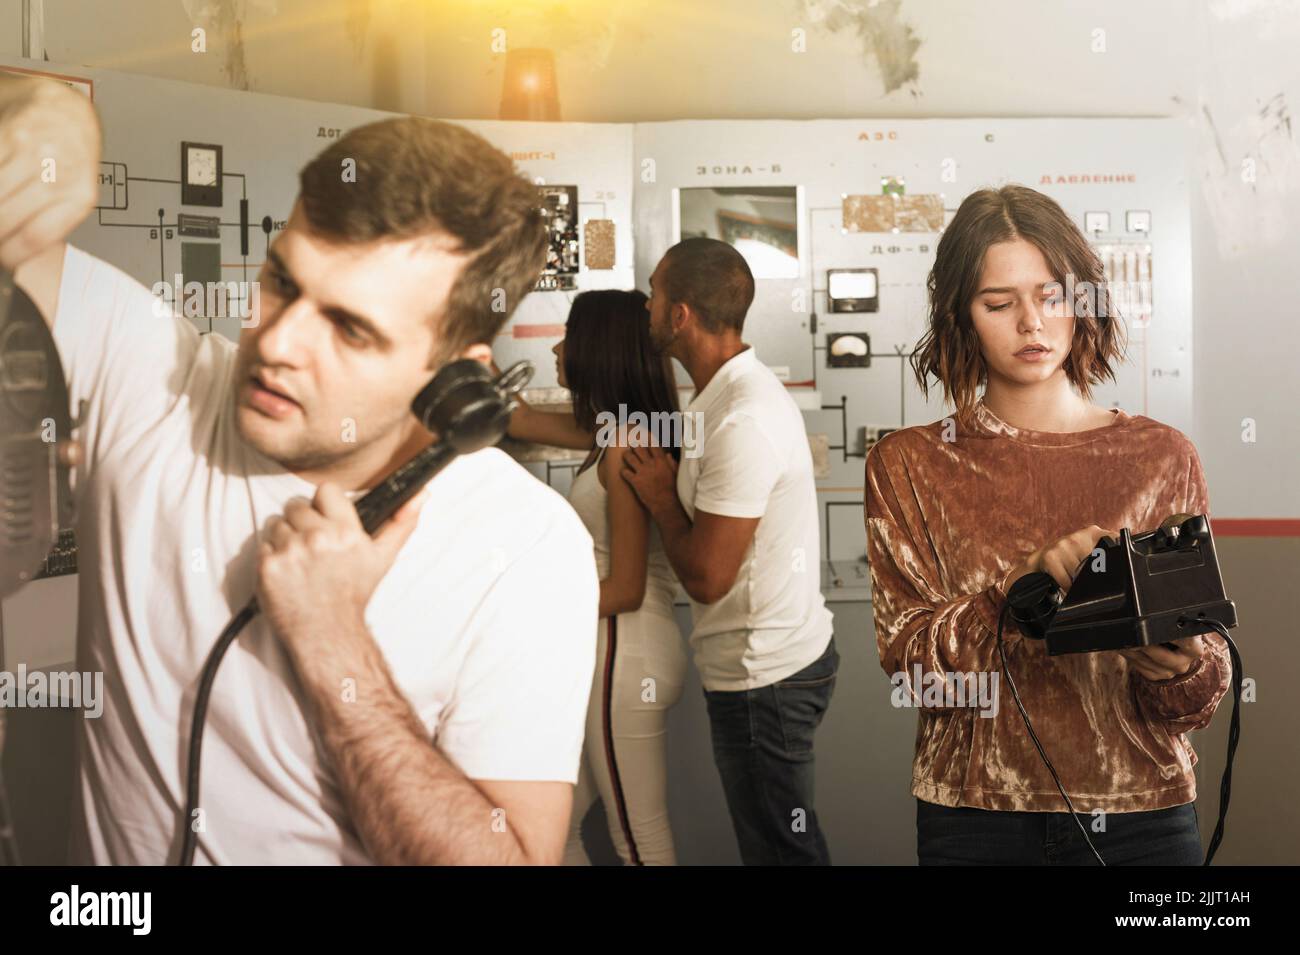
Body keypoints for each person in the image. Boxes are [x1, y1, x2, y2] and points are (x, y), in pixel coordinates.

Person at [1, 74, 600, 865]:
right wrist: (48, 111)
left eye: (350, 328)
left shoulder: (523, 546)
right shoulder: (152, 373)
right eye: (282, 281)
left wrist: (333, 641)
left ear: (456, 374)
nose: (279, 342)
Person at [864, 183, 1233, 866]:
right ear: (961, 317)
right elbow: (909, 667)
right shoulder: (909, 463)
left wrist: (1178, 668)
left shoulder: (1160, 455)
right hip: (977, 819)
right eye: (999, 303)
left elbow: (1200, 694)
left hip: (1142, 814)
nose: (1031, 322)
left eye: (1051, 296)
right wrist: (1019, 588)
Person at [621, 237, 838, 866]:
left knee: (781, 853)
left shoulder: (742, 416)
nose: (648, 309)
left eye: (655, 296)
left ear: (681, 315)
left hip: (763, 678)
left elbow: (710, 578)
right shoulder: (718, 397)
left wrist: (662, 499)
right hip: (765, 665)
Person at [502, 289, 687, 865]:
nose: (558, 347)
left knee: (638, 838)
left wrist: (527, 614)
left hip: (624, 654)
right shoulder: (617, 433)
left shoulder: (626, 445)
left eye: (570, 335)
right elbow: (528, 420)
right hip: (616, 653)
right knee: (554, 831)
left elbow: (627, 588)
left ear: (599, 349)